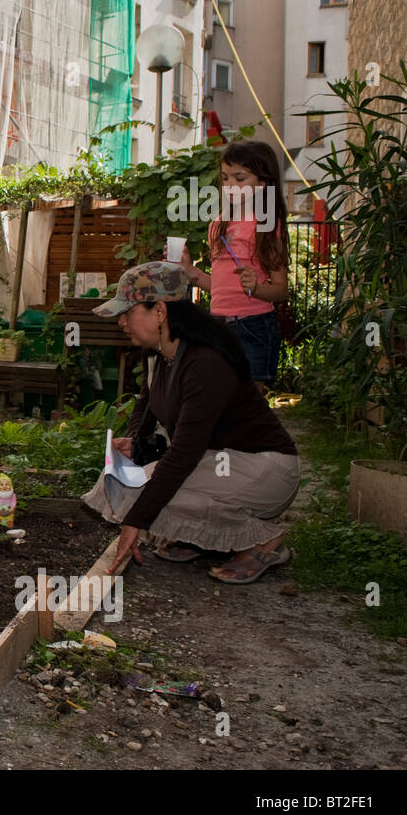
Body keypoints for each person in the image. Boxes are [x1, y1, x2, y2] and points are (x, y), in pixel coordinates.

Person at [83, 262, 301, 584]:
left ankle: (262, 541)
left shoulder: (205, 362)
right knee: (122, 481)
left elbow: (184, 452)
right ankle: (200, 538)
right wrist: (136, 444)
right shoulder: (159, 351)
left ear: (159, 312)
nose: (121, 322)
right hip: (217, 463)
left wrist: (137, 522)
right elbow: (148, 404)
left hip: (264, 471)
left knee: (143, 489)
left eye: (128, 312)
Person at [174, 140, 291, 386]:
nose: (229, 186)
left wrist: (256, 288)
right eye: (225, 178)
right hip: (217, 326)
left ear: (263, 184)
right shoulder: (218, 225)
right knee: (218, 405)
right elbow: (219, 286)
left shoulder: (267, 226)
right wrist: (190, 271)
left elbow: (281, 290)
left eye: (240, 178)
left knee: (248, 411)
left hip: (254, 326)